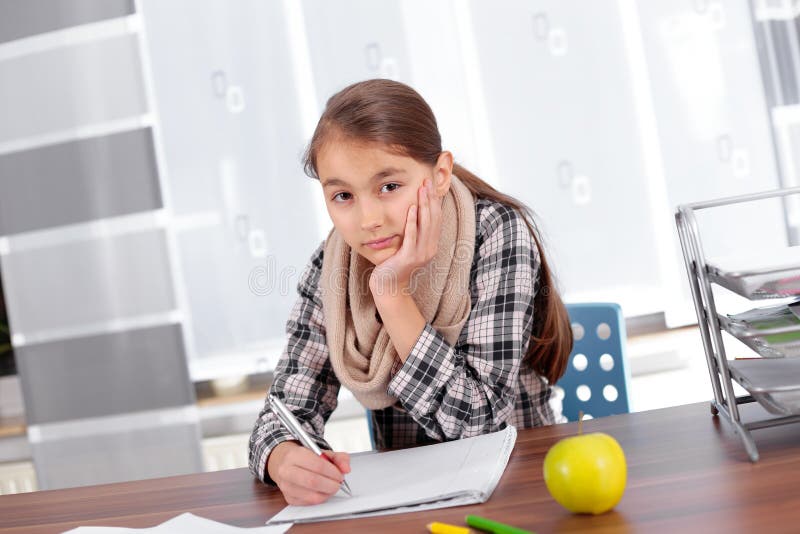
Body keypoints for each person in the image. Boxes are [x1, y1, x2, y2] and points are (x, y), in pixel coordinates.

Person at [248, 79, 573, 505]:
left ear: (439, 175)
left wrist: (391, 293)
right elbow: (281, 414)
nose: (369, 219)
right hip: (412, 502)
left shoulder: (495, 233)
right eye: (343, 195)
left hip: (522, 487)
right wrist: (282, 457)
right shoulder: (332, 268)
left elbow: (479, 423)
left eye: (389, 187)